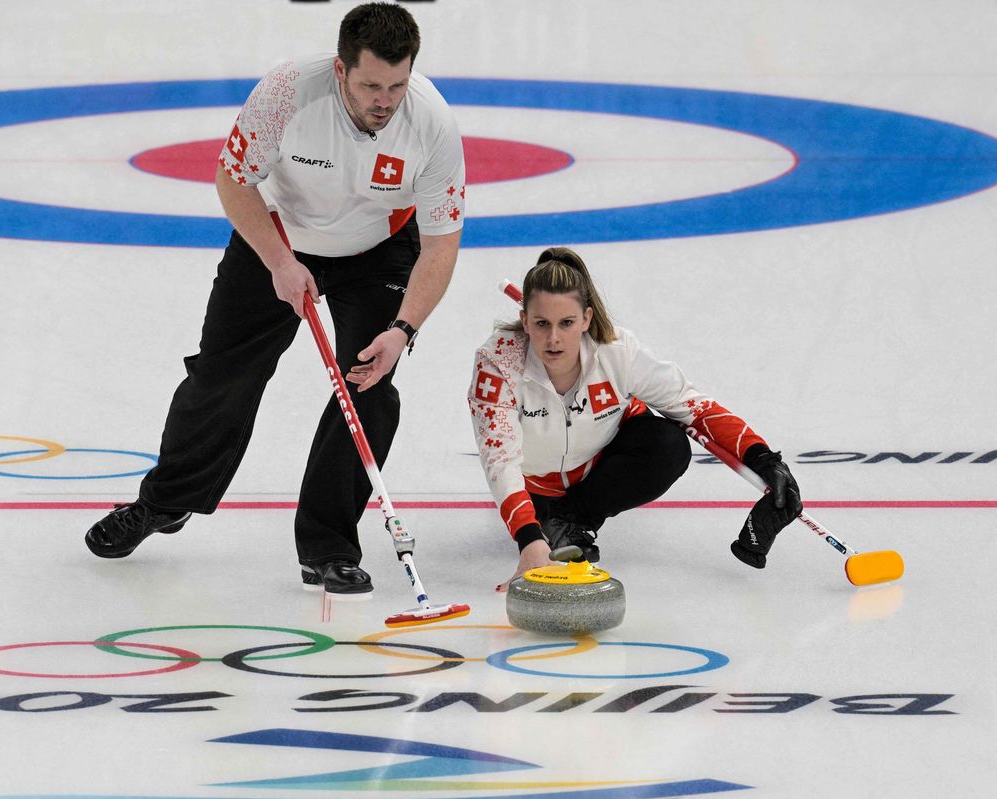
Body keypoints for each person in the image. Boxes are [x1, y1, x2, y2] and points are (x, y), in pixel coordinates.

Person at [85, 2, 465, 598]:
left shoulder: (433, 123)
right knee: (222, 377)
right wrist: (281, 263)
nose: (384, 99)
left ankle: (329, 547)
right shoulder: (288, 92)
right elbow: (233, 180)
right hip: (279, 240)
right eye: (370, 84)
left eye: (396, 84)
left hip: (379, 248)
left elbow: (442, 243)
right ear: (341, 70)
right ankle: (165, 503)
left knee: (368, 384)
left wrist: (403, 329)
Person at [468, 248, 802, 591]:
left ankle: (573, 519)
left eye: (566, 323)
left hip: (596, 465)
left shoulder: (616, 351)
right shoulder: (498, 363)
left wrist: (763, 459)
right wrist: (528, 538)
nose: (554, 338)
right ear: (525, 321)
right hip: (536, 487)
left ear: (586, 319)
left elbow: (691, 405)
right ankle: (552, 520)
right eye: (542, 324)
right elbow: (500, 460)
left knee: (667, 444)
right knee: (533, 501)